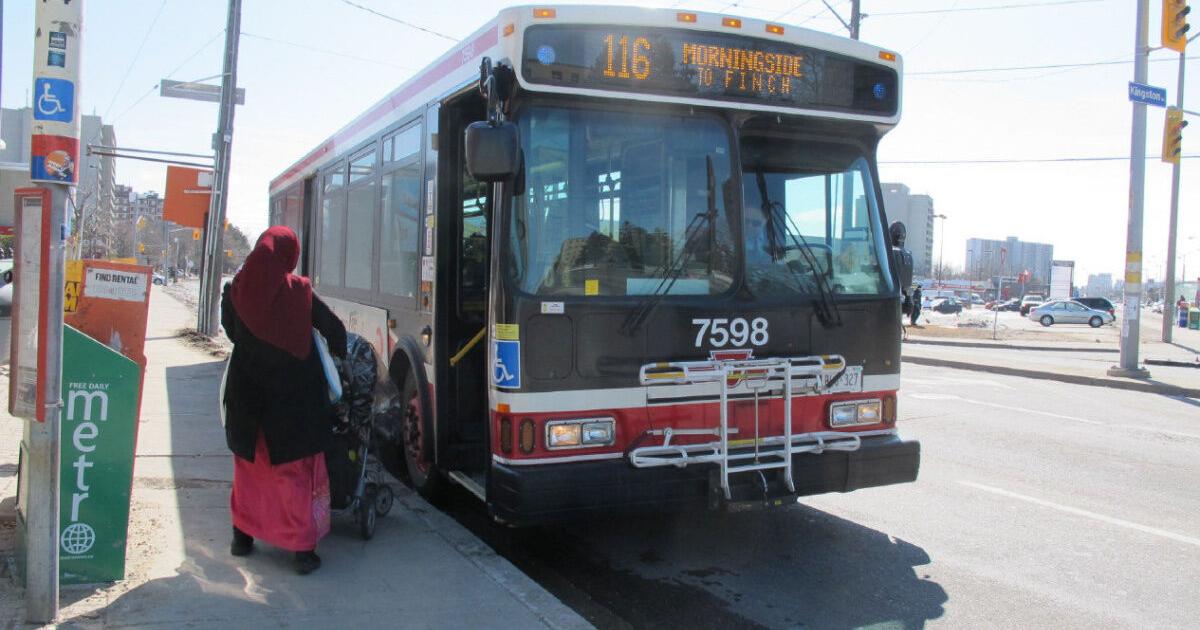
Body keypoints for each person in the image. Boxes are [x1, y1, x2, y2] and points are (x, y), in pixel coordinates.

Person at [221, 226, 346, 575]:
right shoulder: (301, 293)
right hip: (295, 405)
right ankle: (302, 552)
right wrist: (341, 355)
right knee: (293, 477)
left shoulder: (236, 290)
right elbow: (335, 331)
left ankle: (242, 538)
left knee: (249, 471)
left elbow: (230, 330)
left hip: (248, 400)